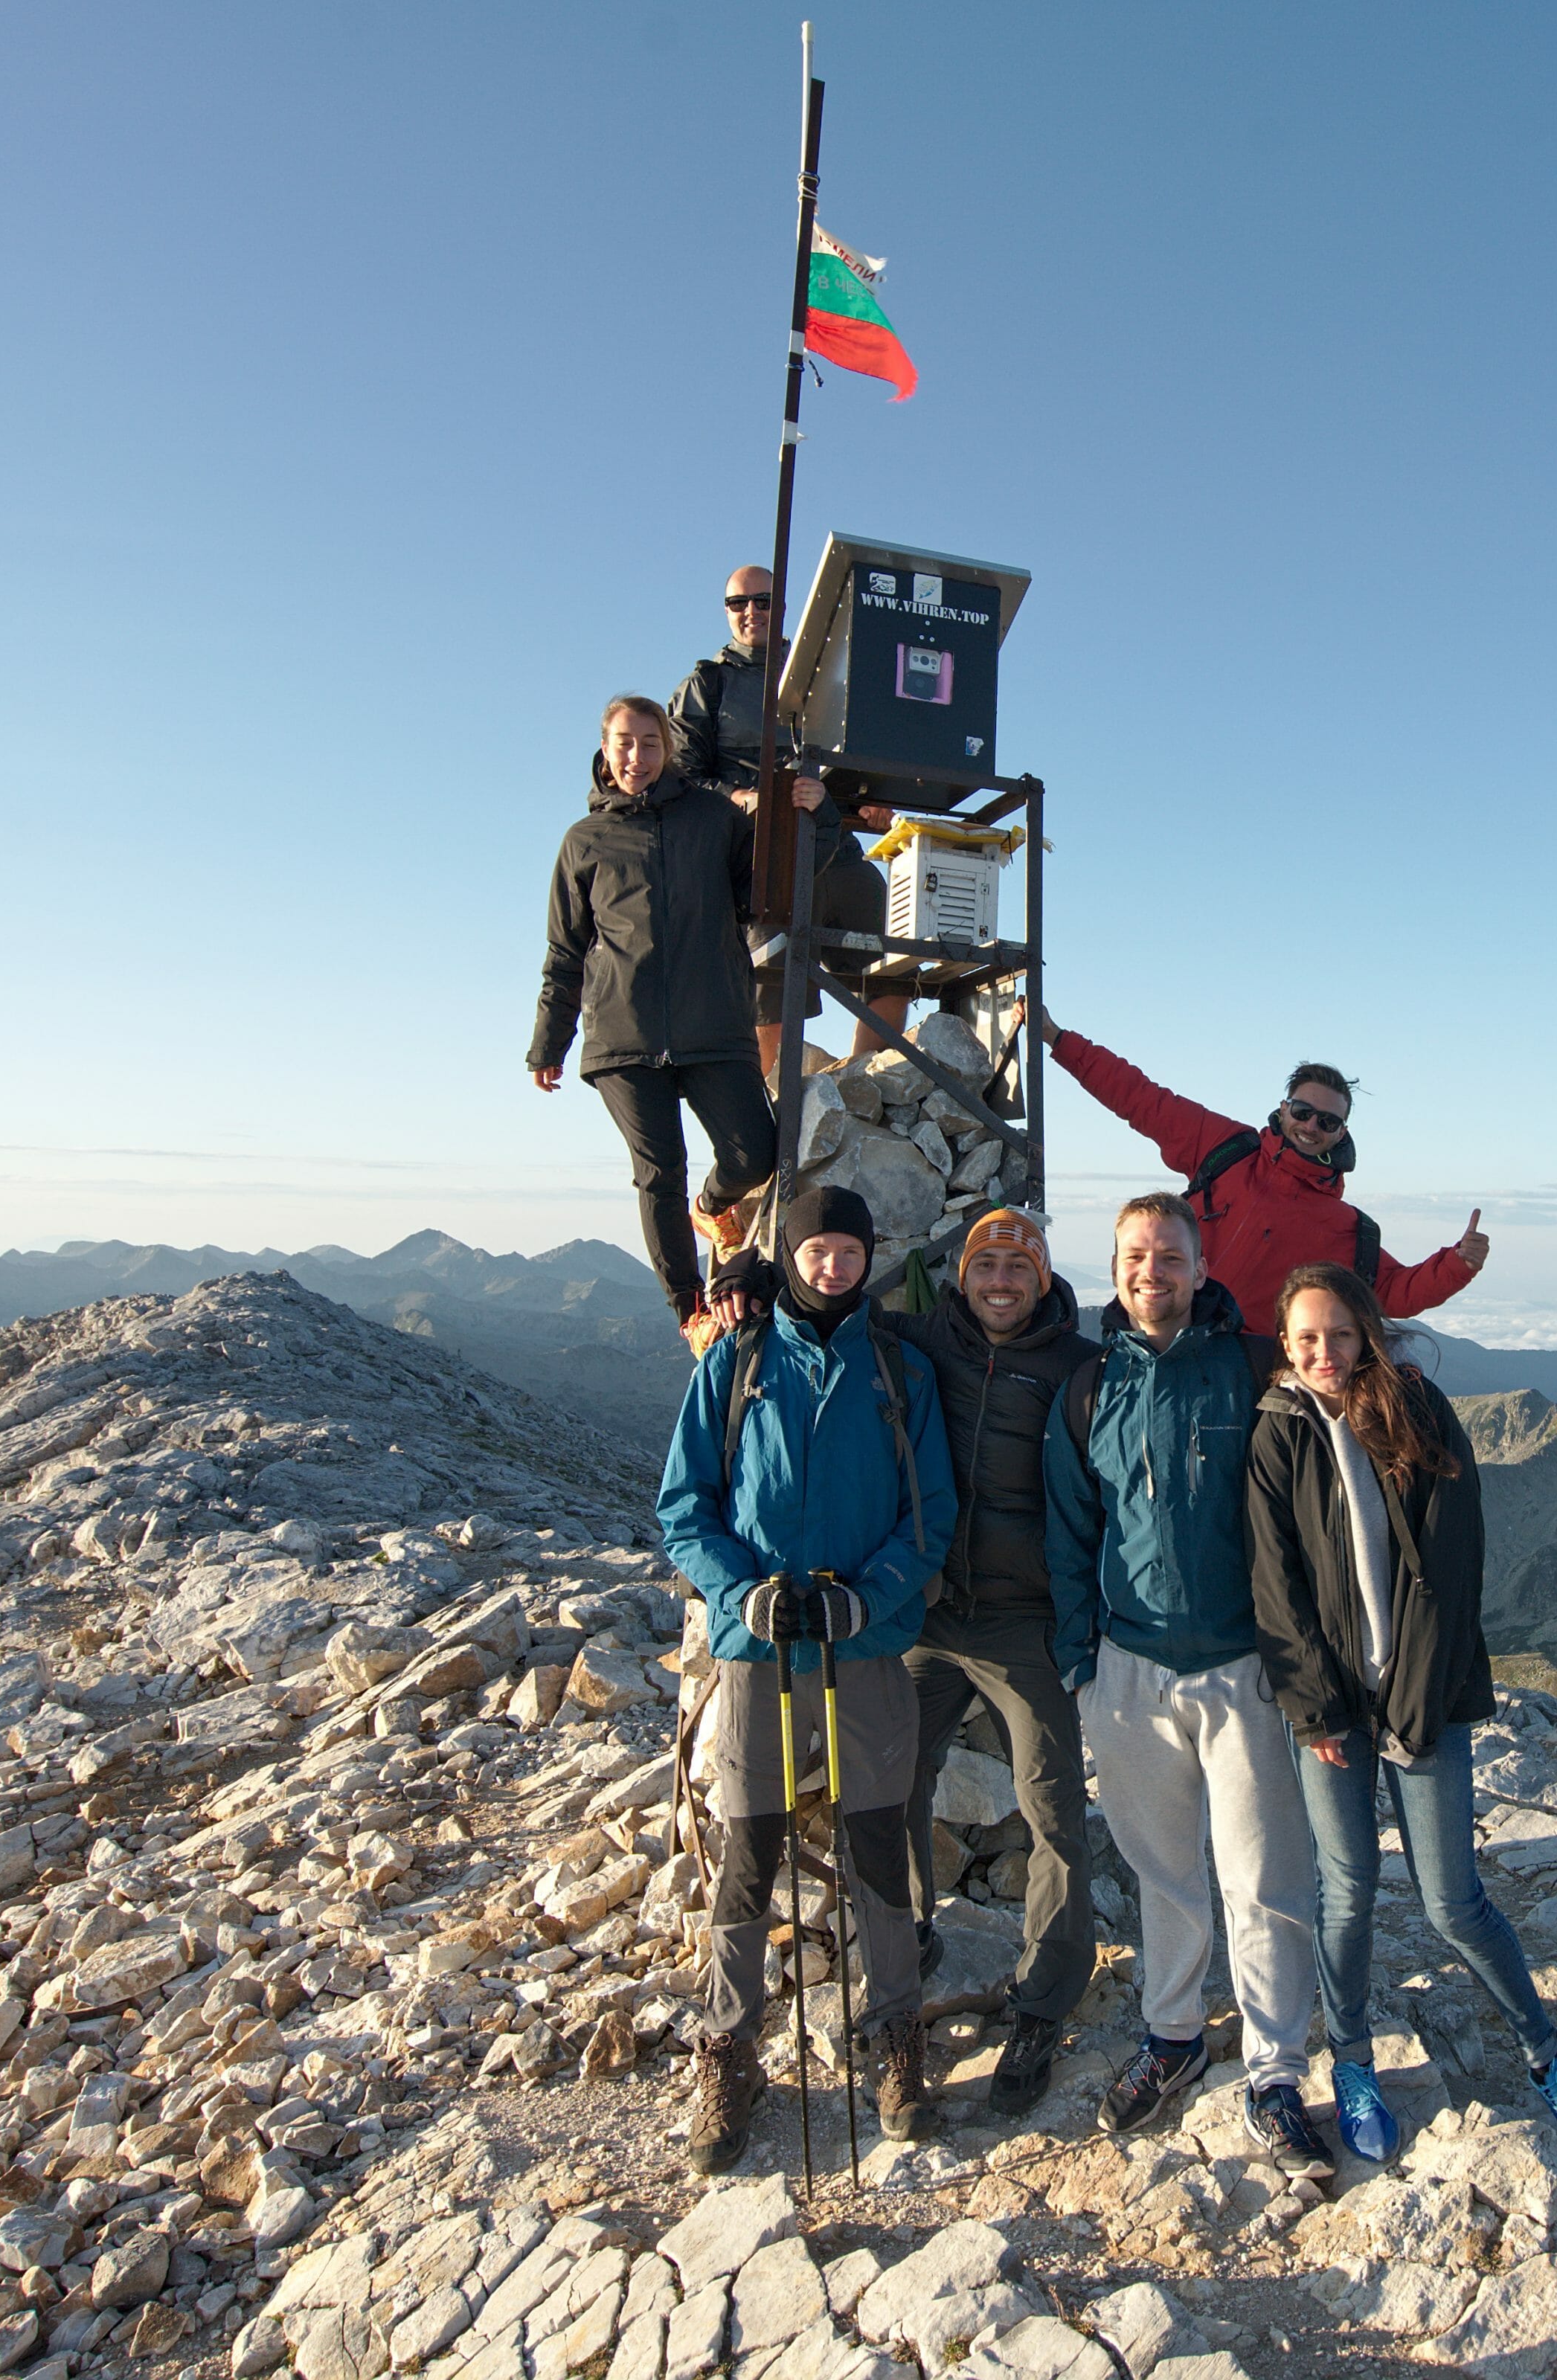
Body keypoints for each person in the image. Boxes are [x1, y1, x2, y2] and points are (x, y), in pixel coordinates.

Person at [706, 1206, 1101, 2120]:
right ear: (958, 1275)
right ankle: (907, 1934)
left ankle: (1042, 1999)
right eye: (984, 1263)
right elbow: (824, 1303)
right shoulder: (917, 1342)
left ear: (1043, 1278)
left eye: (1018, 1265)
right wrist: (751, 1279)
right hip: (921, 1618)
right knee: (889, 1788)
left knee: (1052, 1809)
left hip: (1022, 1621)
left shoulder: (1080, 1366)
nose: (999, 1279)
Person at [1247, 1261, 1557, 2171]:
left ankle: (1548, 2058)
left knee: (1453, 1901)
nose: (1324, 1352)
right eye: (1306, 1338)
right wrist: (1318, 1708)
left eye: (1339, 1332)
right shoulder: (1277, 1433)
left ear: (1367, 1330)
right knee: (1347, 1894)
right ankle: (1354, 2064)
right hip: (1331, 1712)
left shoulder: (1414, 1408)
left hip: (1425, 1694)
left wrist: (1413, 1702)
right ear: (1285, 1345)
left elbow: (1453, 1567)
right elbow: (1273, 1580)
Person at [658, 1186, 960, 2175]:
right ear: (790, 1256)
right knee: (748, 1851)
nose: (833, 1267)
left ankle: (896, 2040)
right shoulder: (735, 1363)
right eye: (817, 1251)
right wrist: (738, 1595)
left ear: (869, 1260)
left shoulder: (899, 1368)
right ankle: (729, 2050)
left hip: (861, 1644)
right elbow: (683, 1506)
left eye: (848, 1253)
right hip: (759, 1647)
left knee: (877, 1842)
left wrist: (865, 1599)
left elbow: (931, 1517)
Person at [1042, 1191, 1335, 2182]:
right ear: (1115, 1268)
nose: (1150, 1273)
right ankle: (1173, 2039)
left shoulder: (1251, 1368)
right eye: (1134, 1257)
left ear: (1199, 1268)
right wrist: (1081, 1668)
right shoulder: (1087, 1388)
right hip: (1127, 1671)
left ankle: (1274, 2069)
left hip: (1241, 1667)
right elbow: (1069, 1533)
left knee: (1264, 1876)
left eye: (1169, 1256)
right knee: (1164, 1875)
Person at [527, 696, 776, 1353]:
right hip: (622, 1036)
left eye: (648, 742)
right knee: (657, 1171)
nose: (636, 756)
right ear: (605, 750)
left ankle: (714, 1205)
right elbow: (565, 950)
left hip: (715, 1022)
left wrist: (801, 812)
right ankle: (690, 1308)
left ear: (667, 747)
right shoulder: (584, 840)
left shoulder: (716, 819)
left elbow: (764, 895)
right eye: (623, 743)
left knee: (757, 1152)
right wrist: (549, 1043)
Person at [1021, 1007, 1489, 1334]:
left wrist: (1457, 1264)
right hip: (1158, 1336)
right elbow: (1142, 1098)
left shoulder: (1349, 1230)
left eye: (1327, 1122)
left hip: (1244, 1378)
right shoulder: (1225, 1147)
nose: (1311, 1127)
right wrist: (1059, 1040)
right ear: (1283, 1109)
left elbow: (1392, 1291)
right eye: (1303, 1111)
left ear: (1341, 1134)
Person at [670, 565, 911, 1072]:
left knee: (891, 967)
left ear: (782, 607)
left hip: (835, 849)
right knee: (771, 987)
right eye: (738, 603)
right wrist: (740, 797)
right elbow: (681, 775)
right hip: (759, 857)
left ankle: (852, 1087)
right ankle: (779, 1114)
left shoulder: (826, 676)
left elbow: (853, 762)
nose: (751, 612)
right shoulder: (706, 685)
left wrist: (867, 803)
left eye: (762, 600)